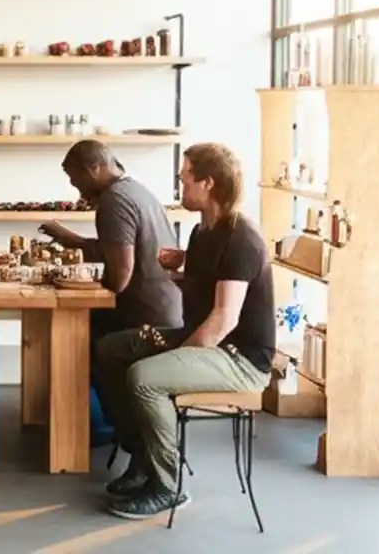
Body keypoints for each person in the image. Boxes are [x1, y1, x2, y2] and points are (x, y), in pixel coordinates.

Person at [97, 142, 274, 520]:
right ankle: (142, 454)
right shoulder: (202, 232)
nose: (180, 184)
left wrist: (174, 356)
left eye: (185, 177)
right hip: (209, 341)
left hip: (239, 358)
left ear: (207, 183)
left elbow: (223, 321)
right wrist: (181, 271)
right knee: (113, 348)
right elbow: (203, 287)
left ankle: (167, 486)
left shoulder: (242, 237)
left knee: (144, 376)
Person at [40, 140, 182, 336]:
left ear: (94, 169)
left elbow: (119, 279)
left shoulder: (114, 200)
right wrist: (68, 239)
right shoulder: (135, 190)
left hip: (146, 321)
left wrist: (77, 278)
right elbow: (121, 248)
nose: (75, 186)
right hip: (167, 312)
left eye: (75, 178)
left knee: (66, 326)